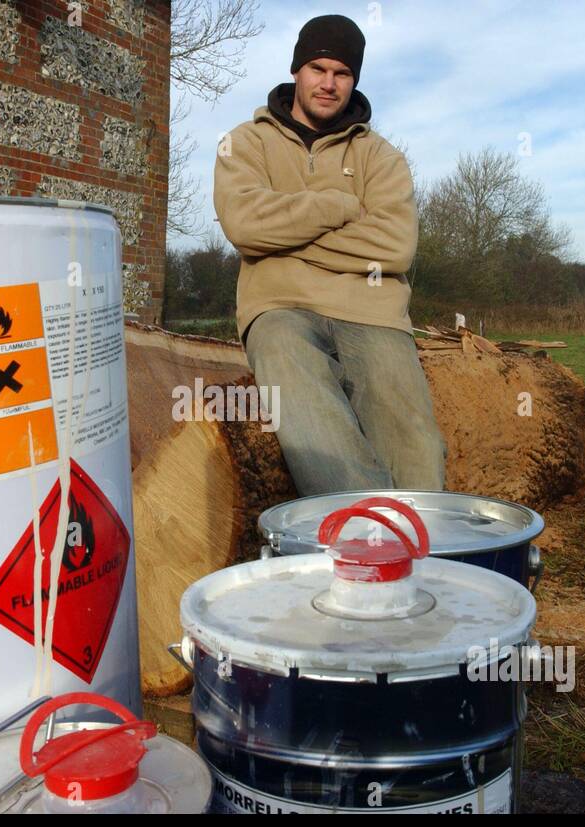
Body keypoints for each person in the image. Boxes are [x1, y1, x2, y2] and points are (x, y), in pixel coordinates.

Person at [213, 13, 446, 496]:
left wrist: (286, 236)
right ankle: (366, 529)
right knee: (308, 415)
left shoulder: (380, 157)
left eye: (342, 74)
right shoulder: (246, 142)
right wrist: (336, 206)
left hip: (373, 312)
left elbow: (395, 246)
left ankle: (426, 546)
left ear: (354, 80)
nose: (328, 83)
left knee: (415, 445)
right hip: (280, 310)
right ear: (297, 70)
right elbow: (244, 224)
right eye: (318, 69)